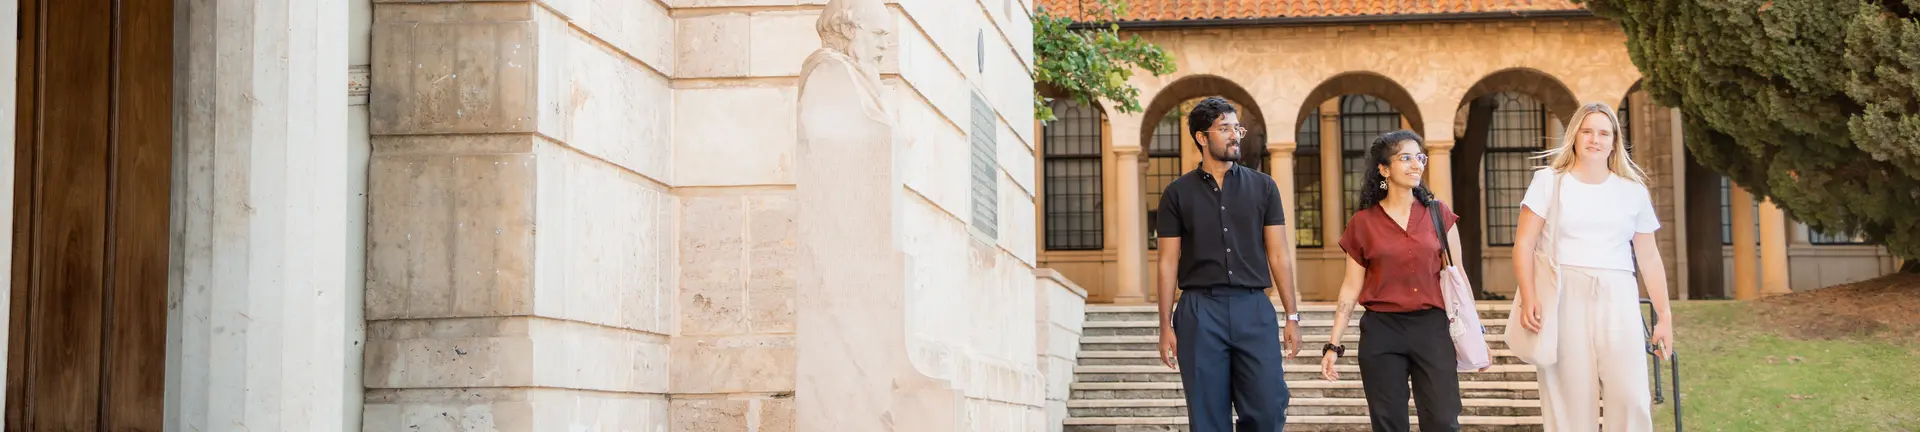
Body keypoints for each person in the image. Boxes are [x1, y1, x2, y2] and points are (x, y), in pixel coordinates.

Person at [1512, 102, 1674, 432]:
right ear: (1574, 136)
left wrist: (1664, 316)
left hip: (1619, 296)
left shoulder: (1632, 191)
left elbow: (1649, 258)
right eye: (1587, 131)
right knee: (1569, 403)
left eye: (1603, 133)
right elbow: (1524, 244)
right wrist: (1529, 297)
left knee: (1631, 397)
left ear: (1614, 141)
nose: (1594, 139)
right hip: (1563, 295)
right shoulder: (1549, 181)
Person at [1154, 96, 1302, 432]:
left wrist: (1292, 315)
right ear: (1202, 138)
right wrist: (1165, 325)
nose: (1235, 135)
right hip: (1199, 310)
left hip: (1253, 306)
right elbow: (1167, 262)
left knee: (1268, 410)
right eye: (1225, 128)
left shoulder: (1264, 187)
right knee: (1208, 420)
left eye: (1237, 127)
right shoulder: (1176, 194)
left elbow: (1278, 254)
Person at [1319, 130, 1482, 432]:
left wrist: (1477, 333)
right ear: (1383, 169)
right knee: (1389, 424)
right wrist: (1333, 344)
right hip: (1382, 331)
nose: (1416, 164)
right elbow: (1351, 287)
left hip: (1432, 328)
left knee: (1443, 421)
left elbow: (1458, 275)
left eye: (1420, 157)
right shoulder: (1363, 223)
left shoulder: (1439, 214)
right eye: (1405, 158)